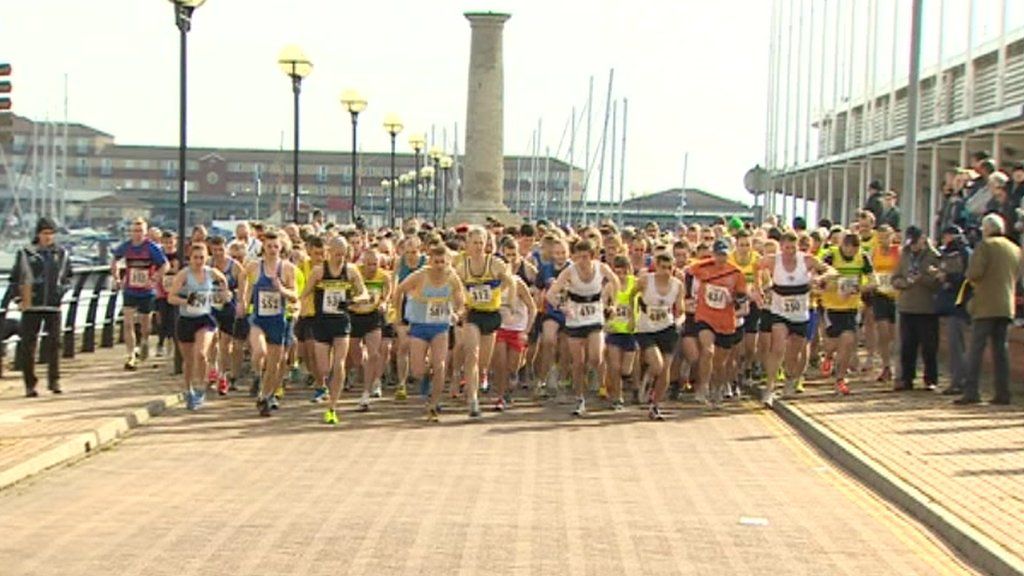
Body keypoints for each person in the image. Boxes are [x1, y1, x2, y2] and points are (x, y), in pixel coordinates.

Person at [546, 239, 619, 417]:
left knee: (595, 356)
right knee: (578, 362)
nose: (582, 261)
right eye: (578, 257)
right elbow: (551, 294)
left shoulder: (601, 268)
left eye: (585, 257)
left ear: (592, 256)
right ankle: (579, 398)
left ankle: (600, 381)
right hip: (575, 318)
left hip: (595, 316)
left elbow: (616, 282)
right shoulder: (570, 271)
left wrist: (613, 304)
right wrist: (561, 307)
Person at [392, 243, 465, 422]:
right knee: (417, 370)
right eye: (436, 262)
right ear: (430, 261)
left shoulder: (452, 277)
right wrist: (398, 317)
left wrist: (457, 314)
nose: (439, 266)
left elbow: (461, 301)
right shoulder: (420, 275)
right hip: (419, 325)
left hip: (440, 326)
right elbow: (399, 290)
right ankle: (425, 377)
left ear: (448, 262)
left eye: (443, 262)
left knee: (440, 365)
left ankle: (433, 404)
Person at [955, 214, 1022, 405]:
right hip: (1006, 305)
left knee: (976, 349)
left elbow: (974, 273)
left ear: (987, 229)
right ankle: (1003, 393)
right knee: (1001, 350)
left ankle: (971, 391)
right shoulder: (1014, 248)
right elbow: (1017, 275)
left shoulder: (985, 246)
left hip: (985, 304)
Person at [300, 236, 367, 424]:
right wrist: (298, 306)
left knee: (339, 364)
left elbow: (363, 293)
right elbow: (305, 293)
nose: (340, 258)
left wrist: (353, 300)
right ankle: (326, 388)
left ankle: (332, 407)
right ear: (329, 252)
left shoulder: (351, 270)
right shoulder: (319, 271)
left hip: (341, 321)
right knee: (324, 368)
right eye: (337, 254)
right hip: (321, 323)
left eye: (343, 255)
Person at [454, 226, 515, 417]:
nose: (478, 247)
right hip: (473, 314)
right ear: (467, 244)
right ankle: (473, 399)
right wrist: (460, 307)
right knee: (471, 353)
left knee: (483, 362)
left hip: (491, 314)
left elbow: (511, 282)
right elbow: (455, 288)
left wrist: (506, 300)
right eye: (475, 243)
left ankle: (481, 377)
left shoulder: (495, 263)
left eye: (481, 243)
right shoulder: (462, 267)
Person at [239, 231, 298, 417]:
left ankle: (264, 396)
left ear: (281, 248)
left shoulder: (287, 268)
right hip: (259, 318)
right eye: (269, 246)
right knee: (260, 351)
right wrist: (243, 300)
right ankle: (257, 374)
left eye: (276, 246)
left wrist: (281, 289)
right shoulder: (254, 266)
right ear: (263, 247)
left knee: (275, 364)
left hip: (278, 320)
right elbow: (242, 278)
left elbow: (295, 295)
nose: (272, 250)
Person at [11, 216, 72, 397]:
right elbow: (15, 278)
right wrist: (18, 299)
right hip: (32, 305)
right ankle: (30, 384)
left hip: (53, 305)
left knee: (55, 343)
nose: (48, 237)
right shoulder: (26, 253)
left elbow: (68, 276)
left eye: (51, 233)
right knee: (28, 345)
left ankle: (54, 380)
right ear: (38, 234)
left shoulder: (61, 254)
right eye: (45, 233)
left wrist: (61, 291)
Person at [166, 243, 231, 410]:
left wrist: (224, 293)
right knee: (188, 361)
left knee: (201, 354)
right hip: (186, 319)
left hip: (205, 318)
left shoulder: (211, 272)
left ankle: (200, 389)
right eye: (195, 258)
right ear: (190, 258)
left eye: (202, 257)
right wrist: (186, 301)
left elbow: (223, 280)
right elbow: (171, 298)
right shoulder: (184, 275)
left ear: (207, 258)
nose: (199, 261)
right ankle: (188, 390)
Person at [688, 239, 748, 408]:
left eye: (724, 255)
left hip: (725, 320)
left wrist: (734, 299)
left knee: (720, 363)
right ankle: (703, 388)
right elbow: (688, 273)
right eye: (718, 254)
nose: (721, 258)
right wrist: (688, 296)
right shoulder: (701, 267)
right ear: (713, 254)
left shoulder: (736, 273)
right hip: (705, 316)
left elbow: (742, 296)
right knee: (708, 351)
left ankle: (718, 388)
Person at [110, 218, 170, 370]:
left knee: (145, 324)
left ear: (145, 233)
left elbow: (165, 265)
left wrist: (155, 278)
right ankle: (130, 355)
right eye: (134, 231)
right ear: (131, 232)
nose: (137, 234)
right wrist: (116, 277)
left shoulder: (151, 247)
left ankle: (144, 340)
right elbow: (114, 260)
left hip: (146, 291)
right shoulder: (126, 246)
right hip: (130, 289)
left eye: (140, 231)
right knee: (128, 323)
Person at [634, 253, 685, 419]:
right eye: (663, 267)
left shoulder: (678, 285)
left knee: (665, 369)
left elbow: (681, 309)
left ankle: (655, 405)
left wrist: (678, 321)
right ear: (656, 266)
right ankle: (647, 379)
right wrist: (632, 315)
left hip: (667, 327)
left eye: (670, 268)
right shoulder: (645, 280)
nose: (666, 272)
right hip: (646, 328)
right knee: (657, 364)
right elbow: (630, 295)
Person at [890, 226, 941, 391]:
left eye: (915, 242)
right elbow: (895, 278)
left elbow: (938, 282)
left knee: (929, 347)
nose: (912, 246)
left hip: (927, 308)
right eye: (910, 243)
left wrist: (922, 279)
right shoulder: (904, 255)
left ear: (923, 239)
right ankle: (907, 378)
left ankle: (930, 379)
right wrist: (903, 283)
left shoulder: (934, 256)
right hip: (907, 306)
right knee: (907, 346)